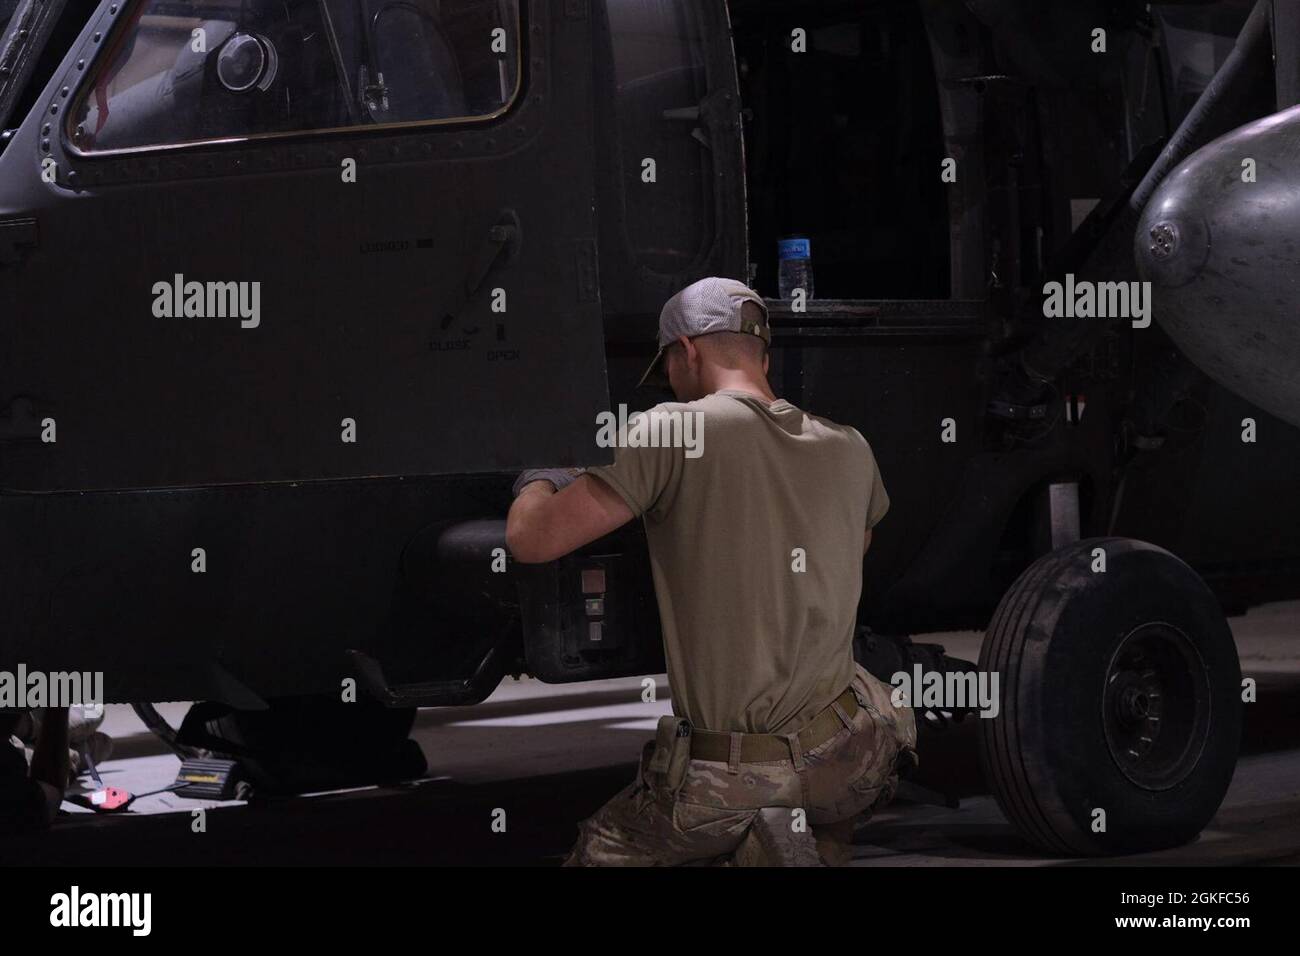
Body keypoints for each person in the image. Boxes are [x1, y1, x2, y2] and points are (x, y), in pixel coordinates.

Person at [506, 277, 915, 866]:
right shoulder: (851, 447)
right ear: (763, 356)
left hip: (736, 778)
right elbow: (850, 550)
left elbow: (532, 540)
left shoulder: (670, 430)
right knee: (844, 730)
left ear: (687, 351)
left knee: (599, 852)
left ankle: (763, 825)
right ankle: (807, 836)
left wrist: (538, 476)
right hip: (853, 756)